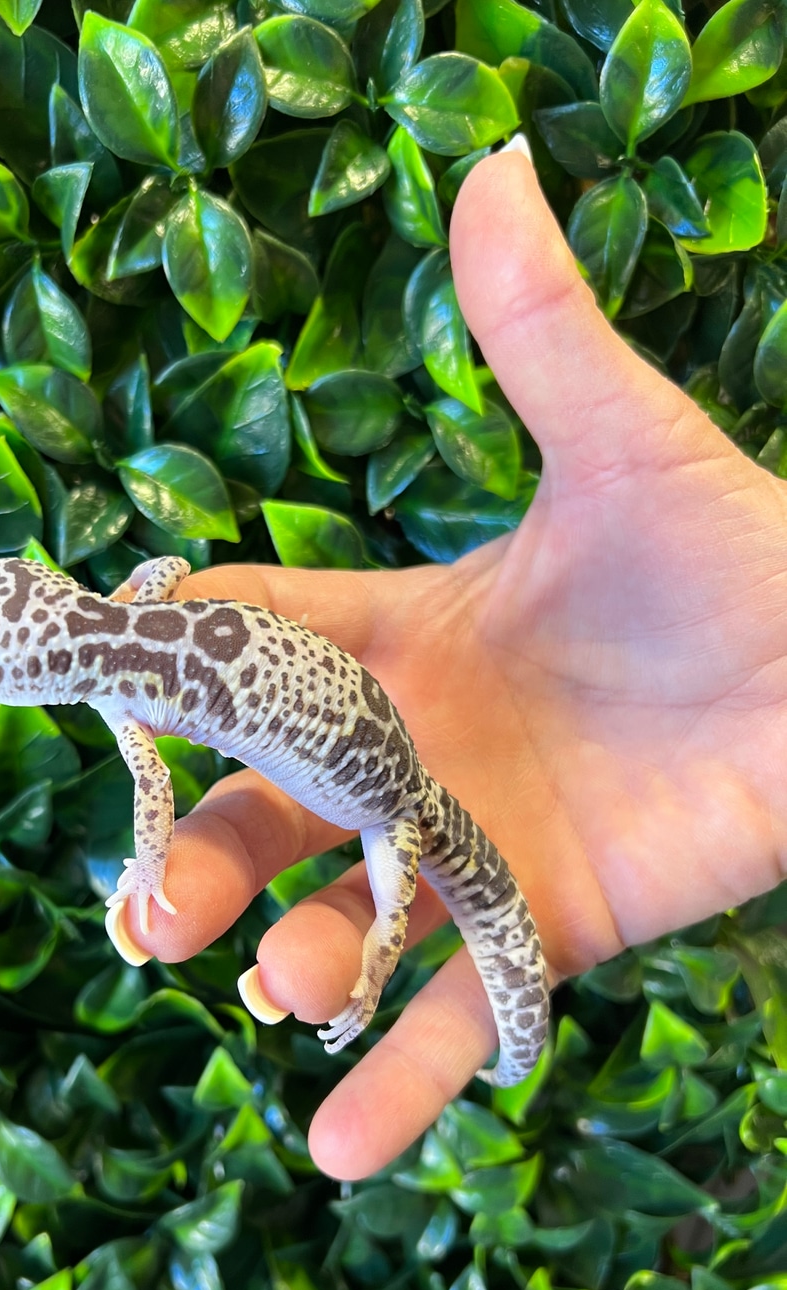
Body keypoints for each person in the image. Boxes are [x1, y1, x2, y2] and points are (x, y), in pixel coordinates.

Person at [114, 137, 787, 1181]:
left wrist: (157, 871)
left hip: (399, 799)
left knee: (383, 915)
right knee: (412, 922)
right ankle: (485, 1022)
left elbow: (154, 796)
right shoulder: (130, 621)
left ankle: (388, 972)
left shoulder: (122, 693)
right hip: (387, 761)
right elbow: (160, 565)